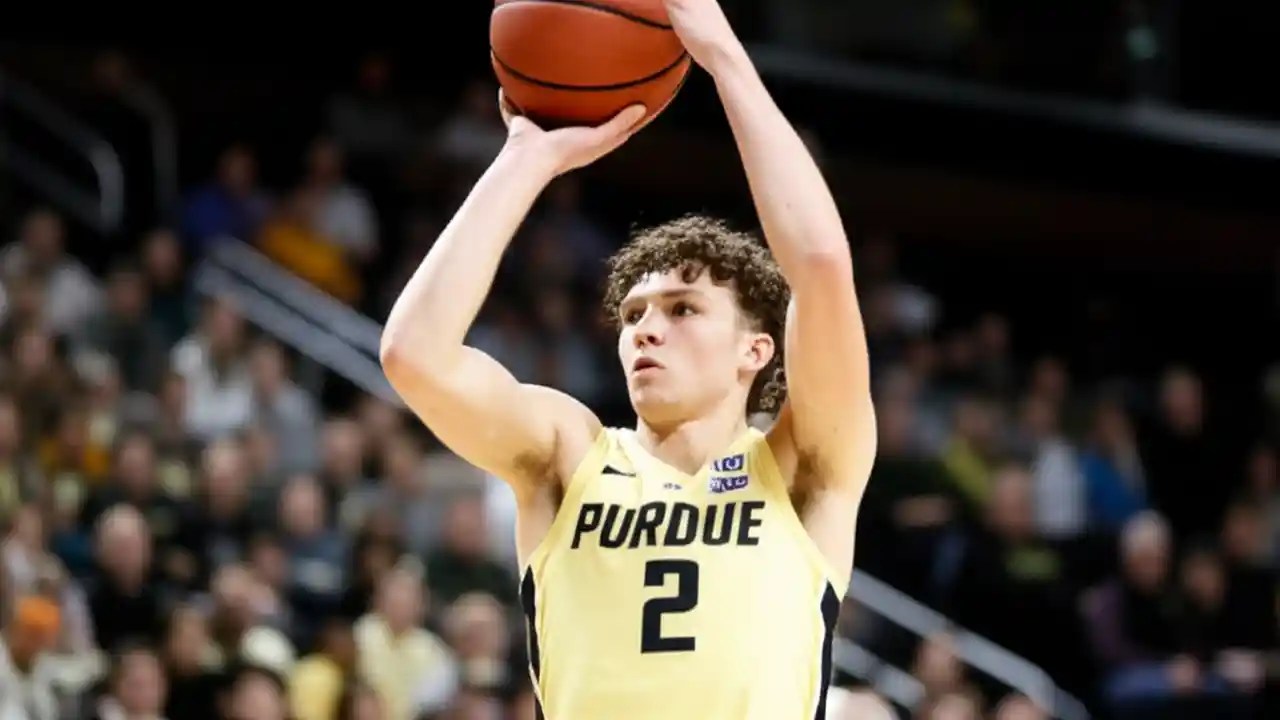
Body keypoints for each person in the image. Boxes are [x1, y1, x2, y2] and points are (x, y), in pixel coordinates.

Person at [380, 1, 876, 717]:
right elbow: (412, 355)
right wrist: (525, 158)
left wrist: (725, 58)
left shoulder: (802, 469)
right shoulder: (567, 453)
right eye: (634, 315)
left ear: (755, 350)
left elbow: (822, 265)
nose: (646, 330)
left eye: (682, 309)